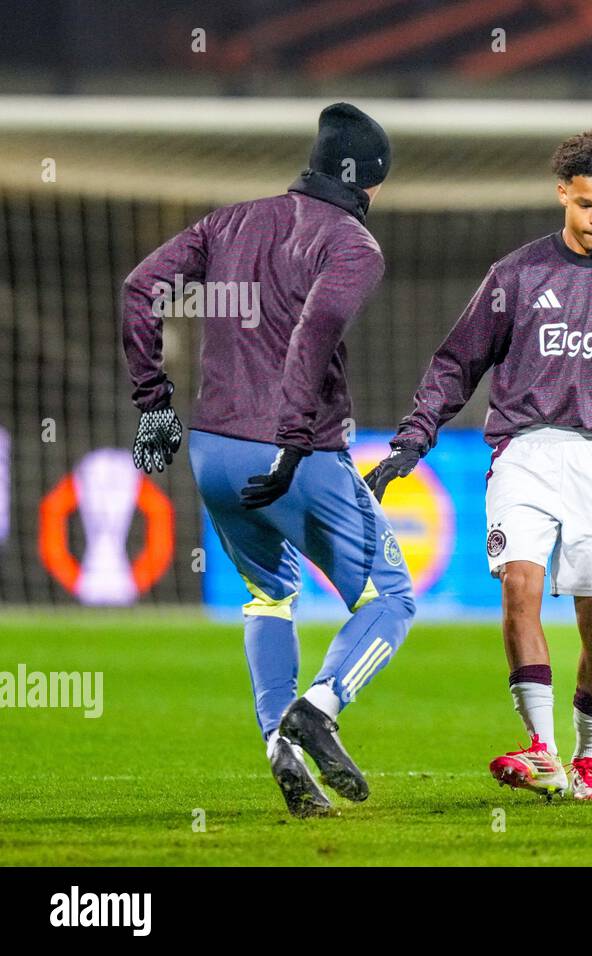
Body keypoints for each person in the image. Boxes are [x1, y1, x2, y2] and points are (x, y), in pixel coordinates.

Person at [365, 128, 592, 801]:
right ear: (563, 194)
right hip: (521, 452)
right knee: (520, 587)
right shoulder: (516, 275)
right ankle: (543, 751)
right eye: (586, 205)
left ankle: (588, 760)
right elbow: (456, 362)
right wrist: (414, 440)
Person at [122, 103, 414, 817]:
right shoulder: (354, 246)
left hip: (213, 450)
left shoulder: (228, 222)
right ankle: (319, 707)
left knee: (269, 594)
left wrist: (154, 402)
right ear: (370, 183)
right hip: (294, 452)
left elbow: (140, 291)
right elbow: (313, 334)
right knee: (392, 598)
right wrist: (289, 436)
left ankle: (278, 747)